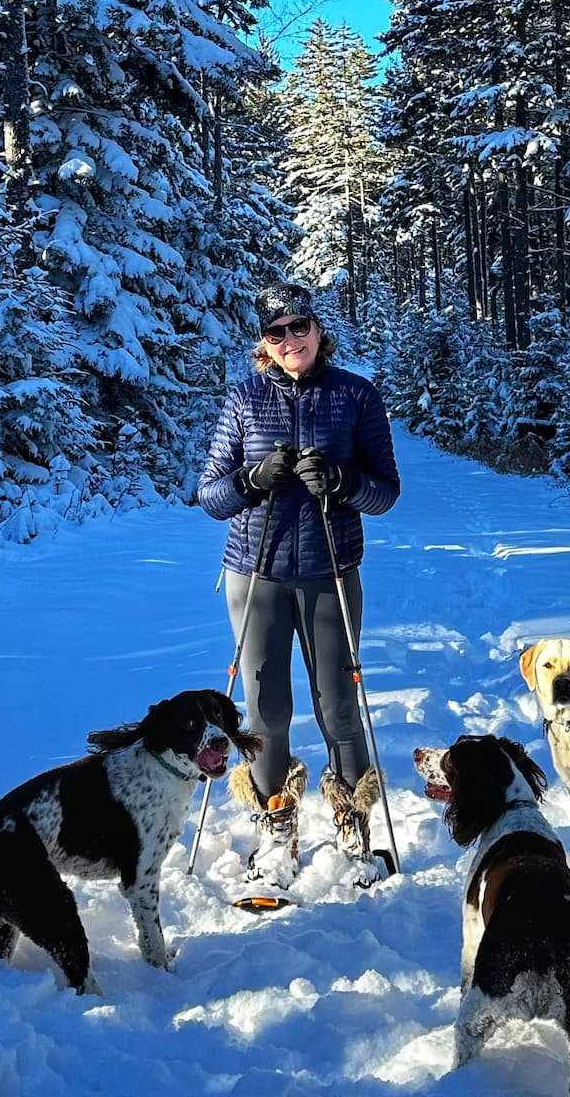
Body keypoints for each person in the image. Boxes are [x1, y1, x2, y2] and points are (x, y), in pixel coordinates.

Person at [198, 283, 401, 890]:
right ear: (264, 343)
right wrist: (253, 479)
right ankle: (275, 825)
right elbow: (210, 494)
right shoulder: (244, 399)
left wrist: (341, 481)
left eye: (300, 326)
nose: (291, 340)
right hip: (255, 572)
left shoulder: (355, 395)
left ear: (317, 328)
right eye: (277, 332)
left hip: (329, 570)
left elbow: (386, 492)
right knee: (266, 709)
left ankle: (353, 821)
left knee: (338, 705)